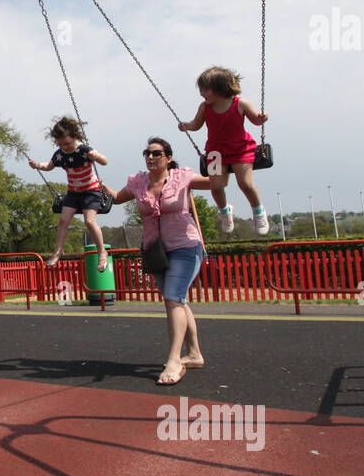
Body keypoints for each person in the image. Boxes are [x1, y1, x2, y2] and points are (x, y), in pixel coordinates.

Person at [107, 138, 209, 385]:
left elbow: (216, 182)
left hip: (185, 246)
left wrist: (226, 163)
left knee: (173, 299)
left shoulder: (182, 178)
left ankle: (174, 361)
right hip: (155, 250)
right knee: (176, 301)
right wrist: (94, 183)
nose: (151, 157)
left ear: (168, 157)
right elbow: (118, 198)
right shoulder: (139, 183)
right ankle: (194, 353)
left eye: (156, 153)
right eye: (147, 153)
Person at [177, 66, 269, 235]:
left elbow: (256, 120)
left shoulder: (240, 103)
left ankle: (258, 211)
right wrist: (186, 126)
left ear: (218, 88)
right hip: (215, 151)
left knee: (245, 184)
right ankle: (225, 212)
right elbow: (196, 125)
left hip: (241, 149)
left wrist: (261, 118)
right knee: (216, 186)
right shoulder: (205, 107)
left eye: (204, 90)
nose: (201, 94)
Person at [29, 116, 110, 270]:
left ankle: (102, 253)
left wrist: (96, 157)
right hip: (73, 193)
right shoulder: (60, 154)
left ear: (74, 137)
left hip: (91, 192)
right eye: (60, 144)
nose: (64, 147)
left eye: (67, 143)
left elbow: (105, 161)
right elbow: (49, 166)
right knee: (63, 220)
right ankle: (58, 251)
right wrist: (37, 165)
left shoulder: (85, 150)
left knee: (89, 222)